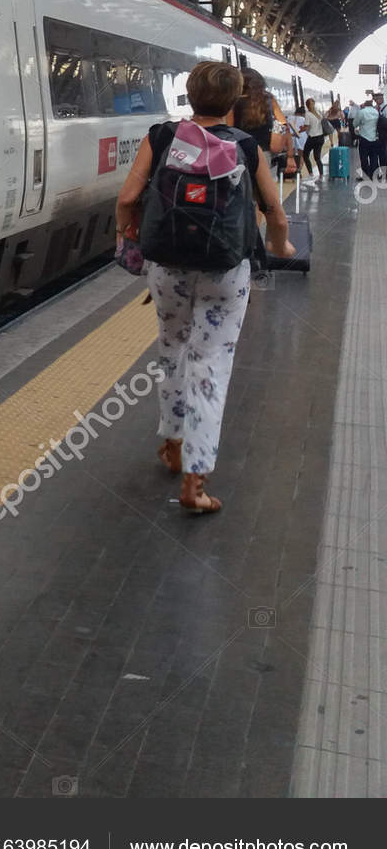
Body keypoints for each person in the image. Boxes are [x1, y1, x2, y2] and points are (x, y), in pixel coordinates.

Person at [116, 61, 294, 515]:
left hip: (167, 267)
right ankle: (195, 480)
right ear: (234, 101)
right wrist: (283, 245)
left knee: (172, 348)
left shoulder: (161, 137)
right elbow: (274, 209)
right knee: (210, 362)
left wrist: (128, 234)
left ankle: (172, 444)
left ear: (189, 95)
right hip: (224, 269)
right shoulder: (246, 147)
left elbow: (127, 198)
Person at [300, 98, 326, 186]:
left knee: (305, 155)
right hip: (321, 137)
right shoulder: (318, 112)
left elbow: (306, 127)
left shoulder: (308, 114)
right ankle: (321, 176)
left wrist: (299, 130)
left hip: (312, 138)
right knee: (317, 157)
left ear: (307, 105)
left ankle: (311, 174)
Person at [356, 94, 381, 180]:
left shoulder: (362, 112)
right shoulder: (376, 112)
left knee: (364, 158)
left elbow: (355, 123)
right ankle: (373, 175)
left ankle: (366, 175)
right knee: (374, 157)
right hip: (374, 138)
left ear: (365, 104)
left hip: (364, 138)